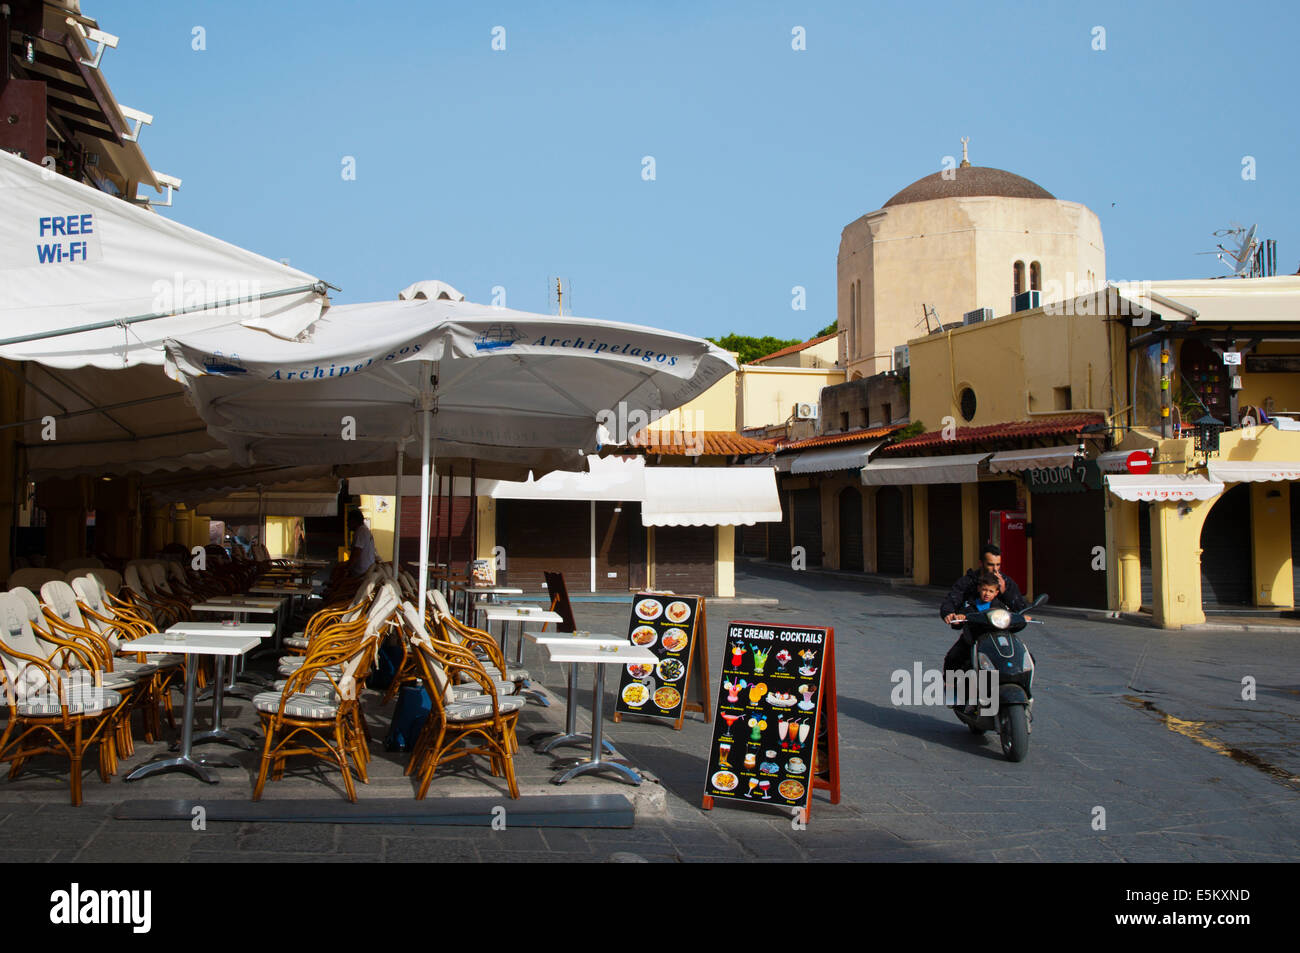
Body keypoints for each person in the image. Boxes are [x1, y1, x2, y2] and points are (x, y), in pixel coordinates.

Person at [940, 543, 1028, 624]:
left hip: (1001, 628)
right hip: (974, 629)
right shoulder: (968, 581)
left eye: (998, 565)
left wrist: (1004, 592)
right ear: (981, 563)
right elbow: (952, 600)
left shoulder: (1006, 582)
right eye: (991, 564)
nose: (995, 569)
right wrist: (948, 613)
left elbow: (1020, 609)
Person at [941, 570, 1007, 677]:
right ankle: (950, 684)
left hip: (993, 643)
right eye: (984, 590)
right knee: (952, 657)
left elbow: (1009, 619)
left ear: (996, 593)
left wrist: (1020, 618)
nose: (987, 593)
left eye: (991, 591)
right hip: (971, 641)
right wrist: (959, 619)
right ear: (979, 589)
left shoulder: (1000, 607)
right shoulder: (969, 604)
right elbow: (960, 618)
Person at [346, 508, 377, 577]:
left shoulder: (361, 531)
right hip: (366, 568)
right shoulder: (364, 530)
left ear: (354, 521)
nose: (347, 524)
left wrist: (347, 568)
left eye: (348, 521)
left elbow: (357, 552)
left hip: (361, 572)